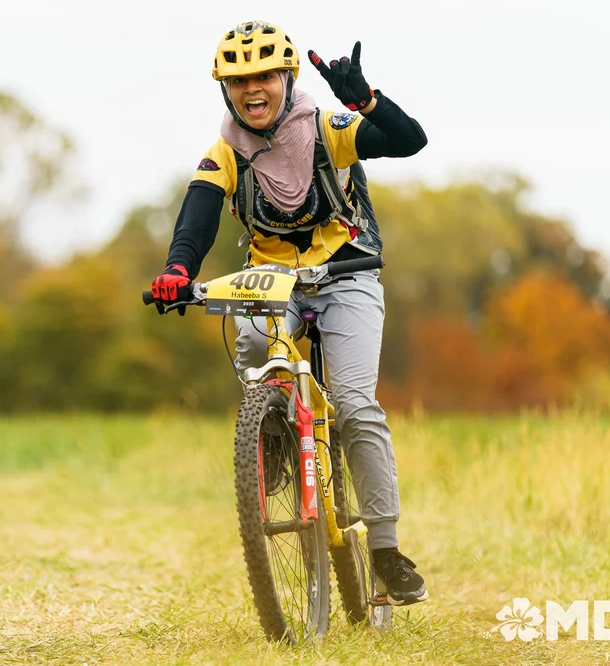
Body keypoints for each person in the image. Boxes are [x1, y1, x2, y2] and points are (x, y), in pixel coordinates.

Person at [149, 21, 428, 606]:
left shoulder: (328, 127)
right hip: (272, 280)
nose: (252, 90)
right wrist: (178, 272)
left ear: (286, 77)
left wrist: (366, 100)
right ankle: (273, 427)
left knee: (354, 403)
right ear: (225, 90)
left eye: (264, 77)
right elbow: (195, 220)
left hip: (347, 270)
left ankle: (385, 550)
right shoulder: (225, 151)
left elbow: (409, 140)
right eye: (238, 81)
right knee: (254, 354)